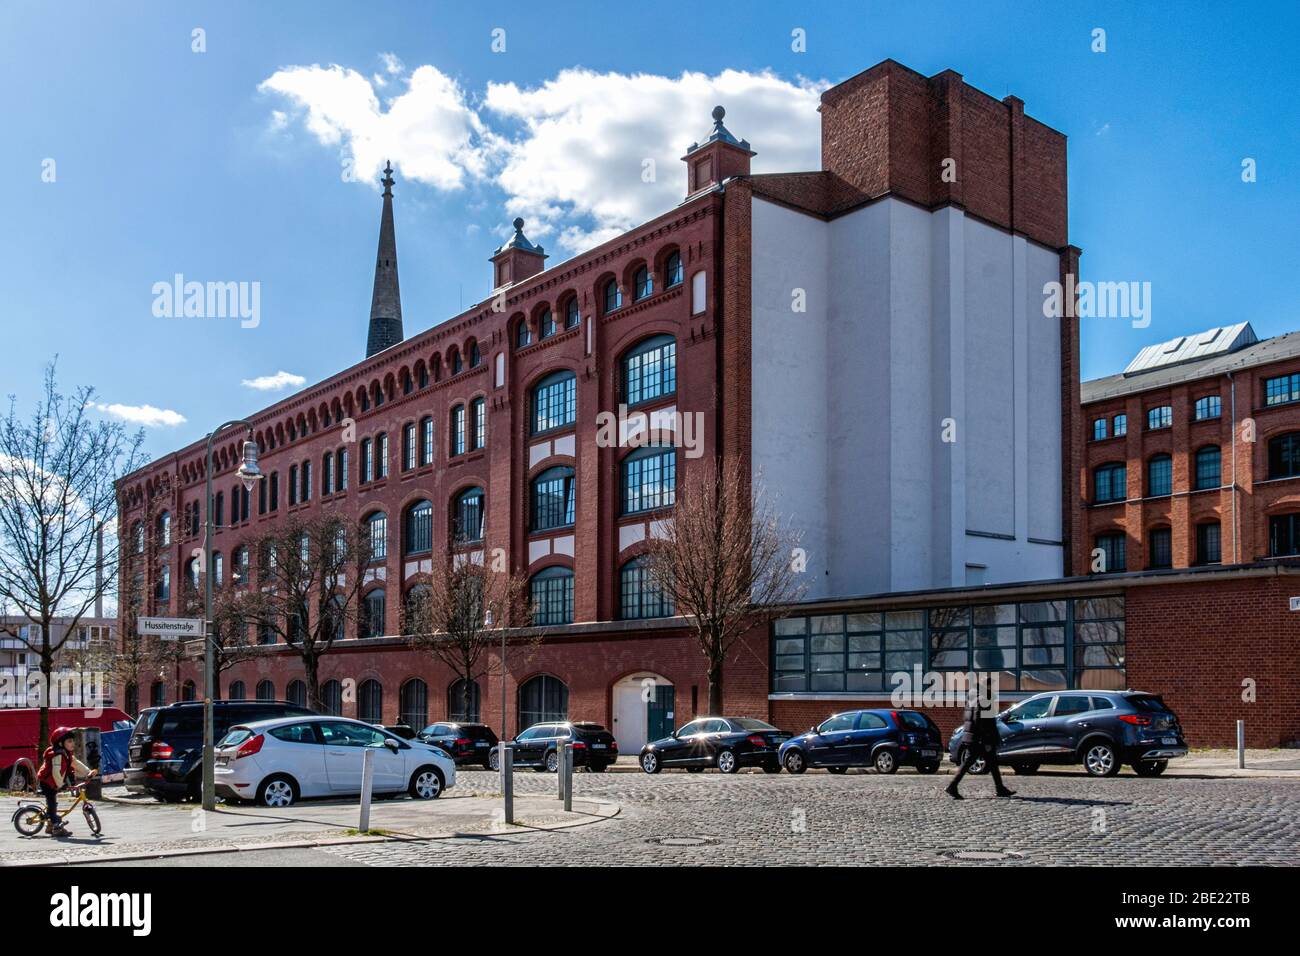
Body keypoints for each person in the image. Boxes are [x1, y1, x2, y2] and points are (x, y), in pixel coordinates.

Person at [946, 701, 1015, 800]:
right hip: (980, 739)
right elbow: (980, 720)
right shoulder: (983, 698)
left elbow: (969, 717)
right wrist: (986, 739)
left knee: (991, 762)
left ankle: (1000, 788)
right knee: (971, 762)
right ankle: (952, 786)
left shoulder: (972, 697)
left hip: (973, 736)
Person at [35, 727, 92, 836]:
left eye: (73, 741)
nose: (73, 743)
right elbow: (56, 772)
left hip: (53, 781)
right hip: (47, 782)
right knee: (52, 803)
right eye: (69, 741)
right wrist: (61, 785)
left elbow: (76, 763)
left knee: (52, 803)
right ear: (60, 743)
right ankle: (56, 826)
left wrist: (88, 772)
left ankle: (50, 825)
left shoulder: (67, 754)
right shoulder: (58, 755)